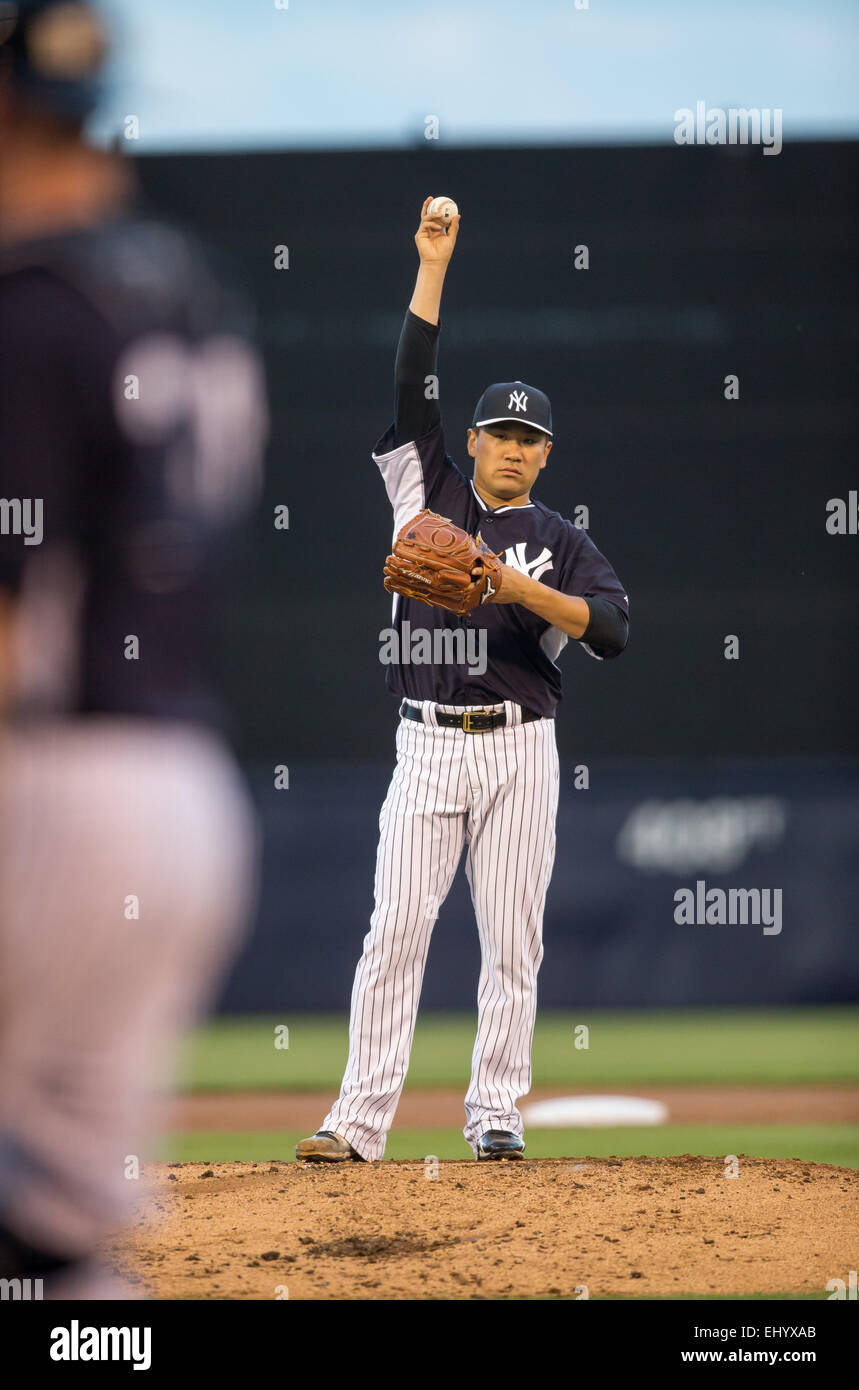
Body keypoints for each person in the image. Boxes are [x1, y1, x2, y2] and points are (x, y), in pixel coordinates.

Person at [0, 0, 267, 1295]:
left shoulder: (30, 314)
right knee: (56, 1238)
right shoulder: (181, 296)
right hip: (175, 794)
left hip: (44, 791)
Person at [297, 196, 629, 1164]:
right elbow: (411, 377)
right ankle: (356, 1123)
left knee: (511, 944)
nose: (513, 446)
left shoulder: (564, 542)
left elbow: (609, 629)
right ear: (473, 440)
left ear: (546, 454)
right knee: (393, 930)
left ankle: (495, 1114)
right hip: (428, 742)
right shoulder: (424, 487)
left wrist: (512, 584)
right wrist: (431, 262)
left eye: (530, 438)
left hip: (522, 746)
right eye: (498, 431)